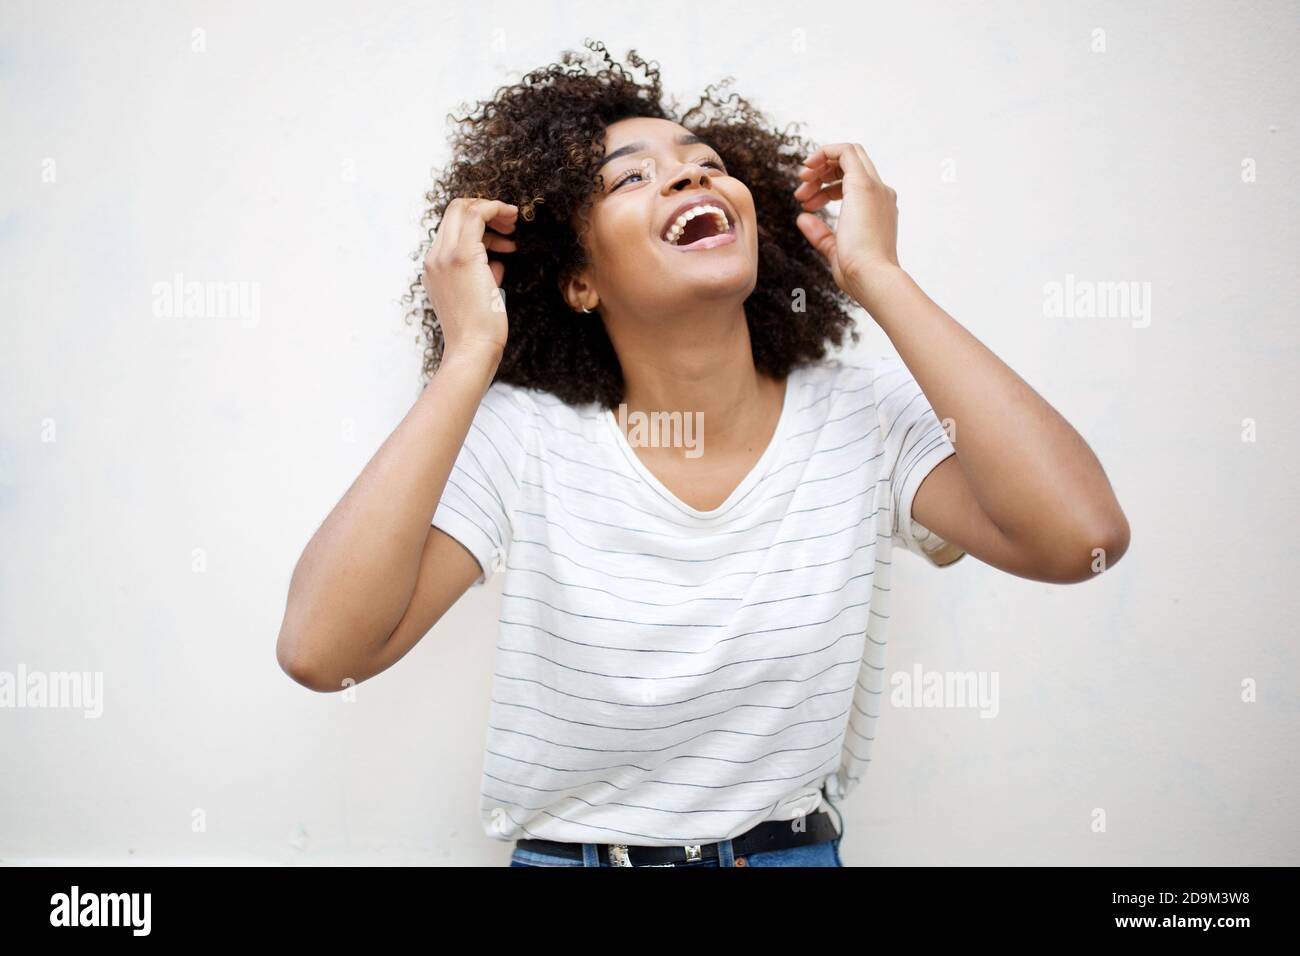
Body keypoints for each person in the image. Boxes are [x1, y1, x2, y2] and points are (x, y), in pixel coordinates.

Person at [275, 40, 1130, 868]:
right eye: (631, 177)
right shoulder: (526, 439)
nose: (689, 174)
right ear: (580, 281)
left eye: (703, 160)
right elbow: (322, 652)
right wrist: (469, 357)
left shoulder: (861, 417)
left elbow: (1079, 537)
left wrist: (877, 274)